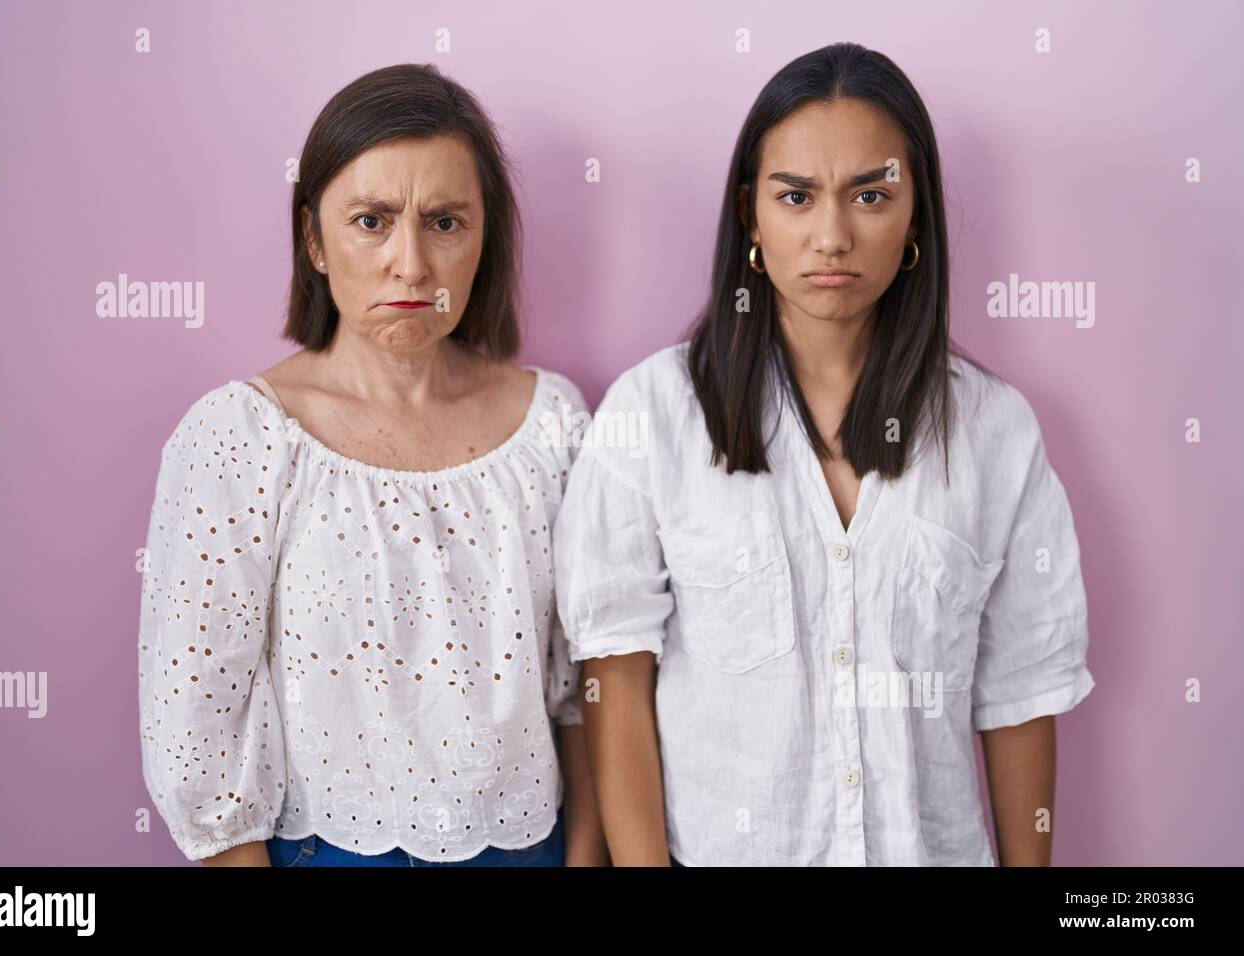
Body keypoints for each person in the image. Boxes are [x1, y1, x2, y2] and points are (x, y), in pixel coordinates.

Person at [554, 42, 1095, 866]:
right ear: (751, 217)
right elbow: (615, 681)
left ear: (916, 214)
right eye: (797, 197)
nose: (832, 235)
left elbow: (1021, 691)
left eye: (870, 195)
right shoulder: (654, 416)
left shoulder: (995, 431)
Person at [138, 63, 604, 867]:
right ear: (314, 238)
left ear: (484, 236)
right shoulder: (242, 440)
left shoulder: (553, 425)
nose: (412, 264)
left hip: (533, 846)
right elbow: (197, 731)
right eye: (371, 220)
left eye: (446, 222)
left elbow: (585, 693)